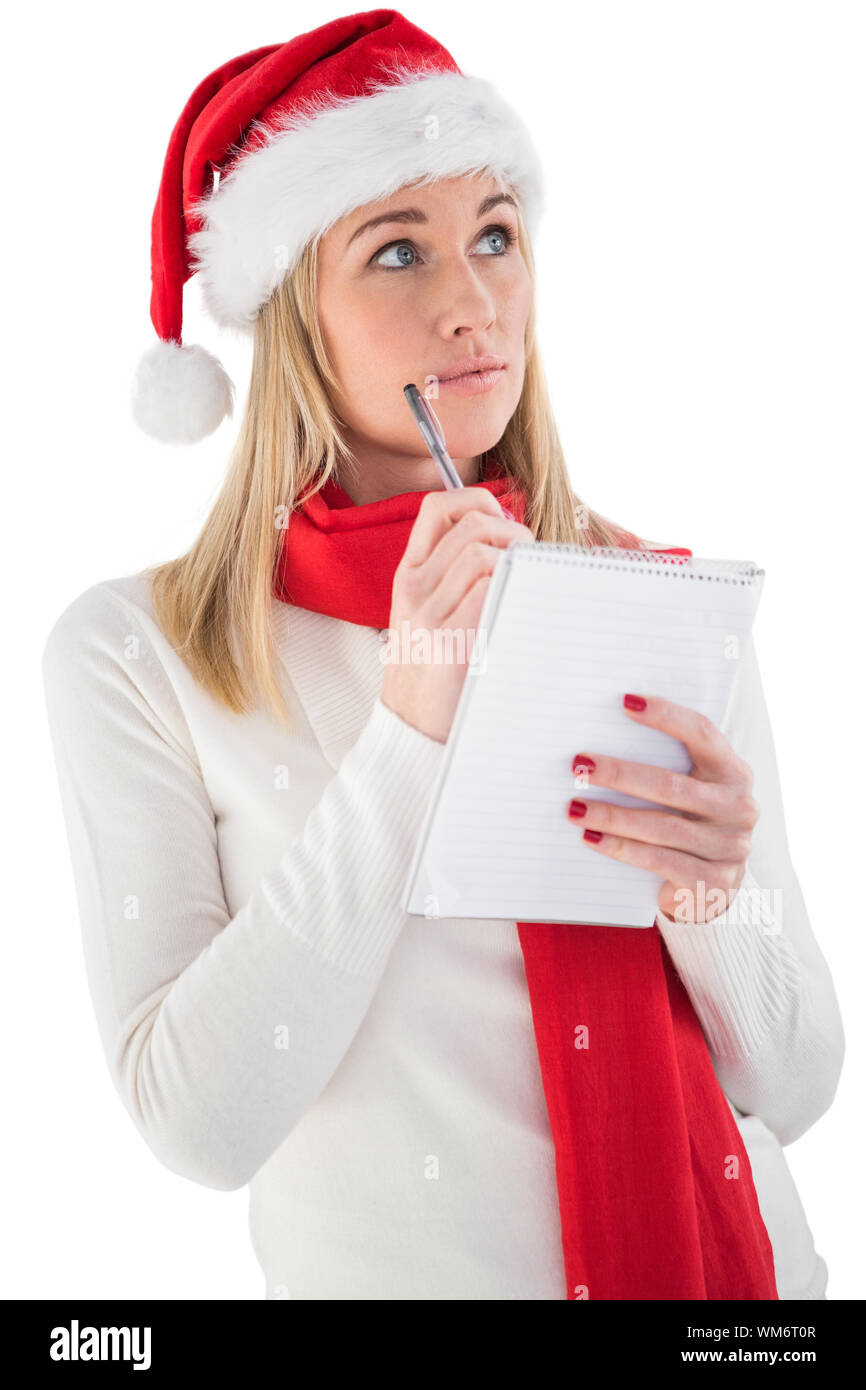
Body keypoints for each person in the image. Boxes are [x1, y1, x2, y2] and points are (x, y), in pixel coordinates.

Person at [41, 11, 844, 1300]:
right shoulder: (138, 653)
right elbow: (198, 1128)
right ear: (296, 308)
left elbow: (795, 1089)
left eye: (494, 236)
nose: (473, 305)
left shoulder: (655, 605)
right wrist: (408, 729)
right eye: (397, 250)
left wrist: (711, 902)